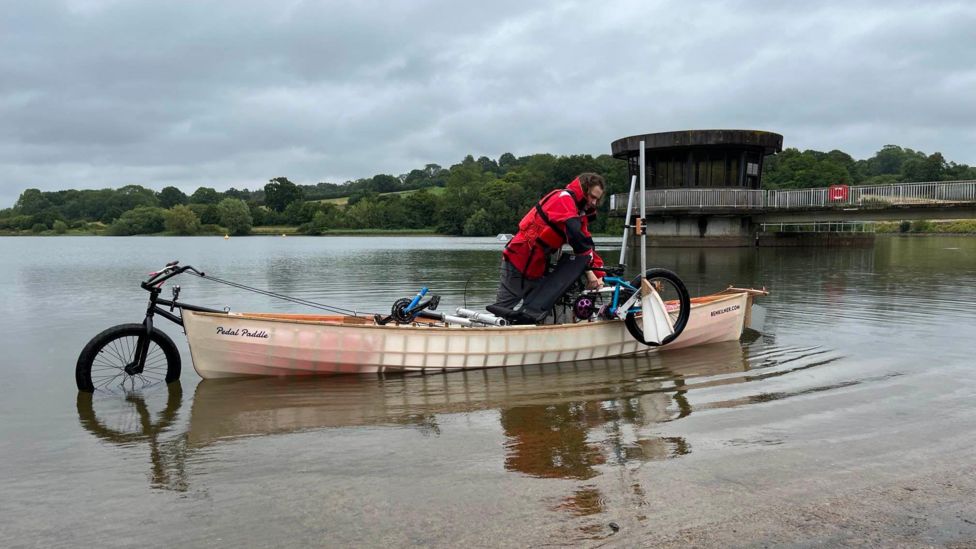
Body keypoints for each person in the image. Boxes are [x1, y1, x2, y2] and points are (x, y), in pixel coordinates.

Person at [493, 173, 606, 309]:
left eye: (597, 199)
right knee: (502, 308)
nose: (594, 202)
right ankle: (493, 328)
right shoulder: (564, 199)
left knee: (541, 307)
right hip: (518, 261)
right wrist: (588, 272)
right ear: (583, 190)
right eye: (592, 197)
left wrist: (599, 274)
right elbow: (575, 237)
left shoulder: (578, 212)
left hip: (537, 266)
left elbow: (586, 243)